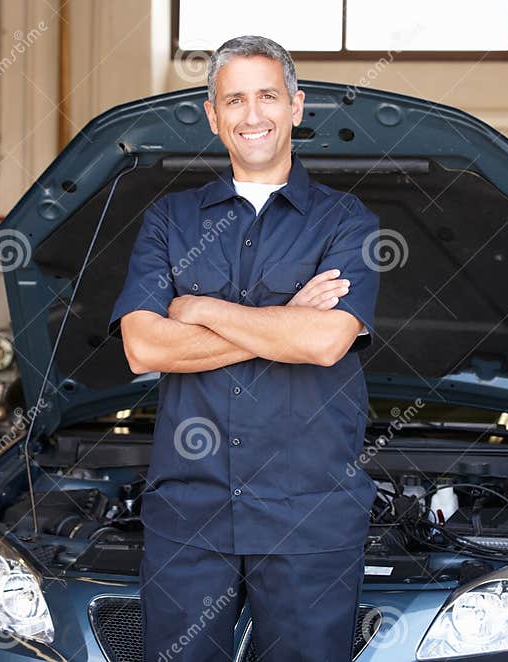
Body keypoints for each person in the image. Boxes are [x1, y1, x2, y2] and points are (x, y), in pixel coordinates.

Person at [107, 34, 381, 662]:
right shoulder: (169, 220)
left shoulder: (347, 221)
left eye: (267, 97)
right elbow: (144, 348)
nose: (252, 115)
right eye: (234, 100)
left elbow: (324, 341)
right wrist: (279, 323)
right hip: (189, 514)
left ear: (296, 106)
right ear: (213, 115)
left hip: (309, 517)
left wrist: (201, 311)